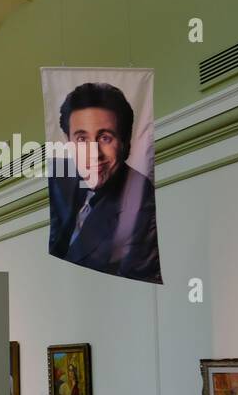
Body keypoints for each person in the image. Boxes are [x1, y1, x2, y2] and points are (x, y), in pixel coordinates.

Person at [48, 81, 161, 283]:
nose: (94, 154)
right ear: (69, 142)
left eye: (105, 138)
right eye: (82, 139)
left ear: (125, 142)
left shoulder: (140, 202)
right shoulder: (61, 180)